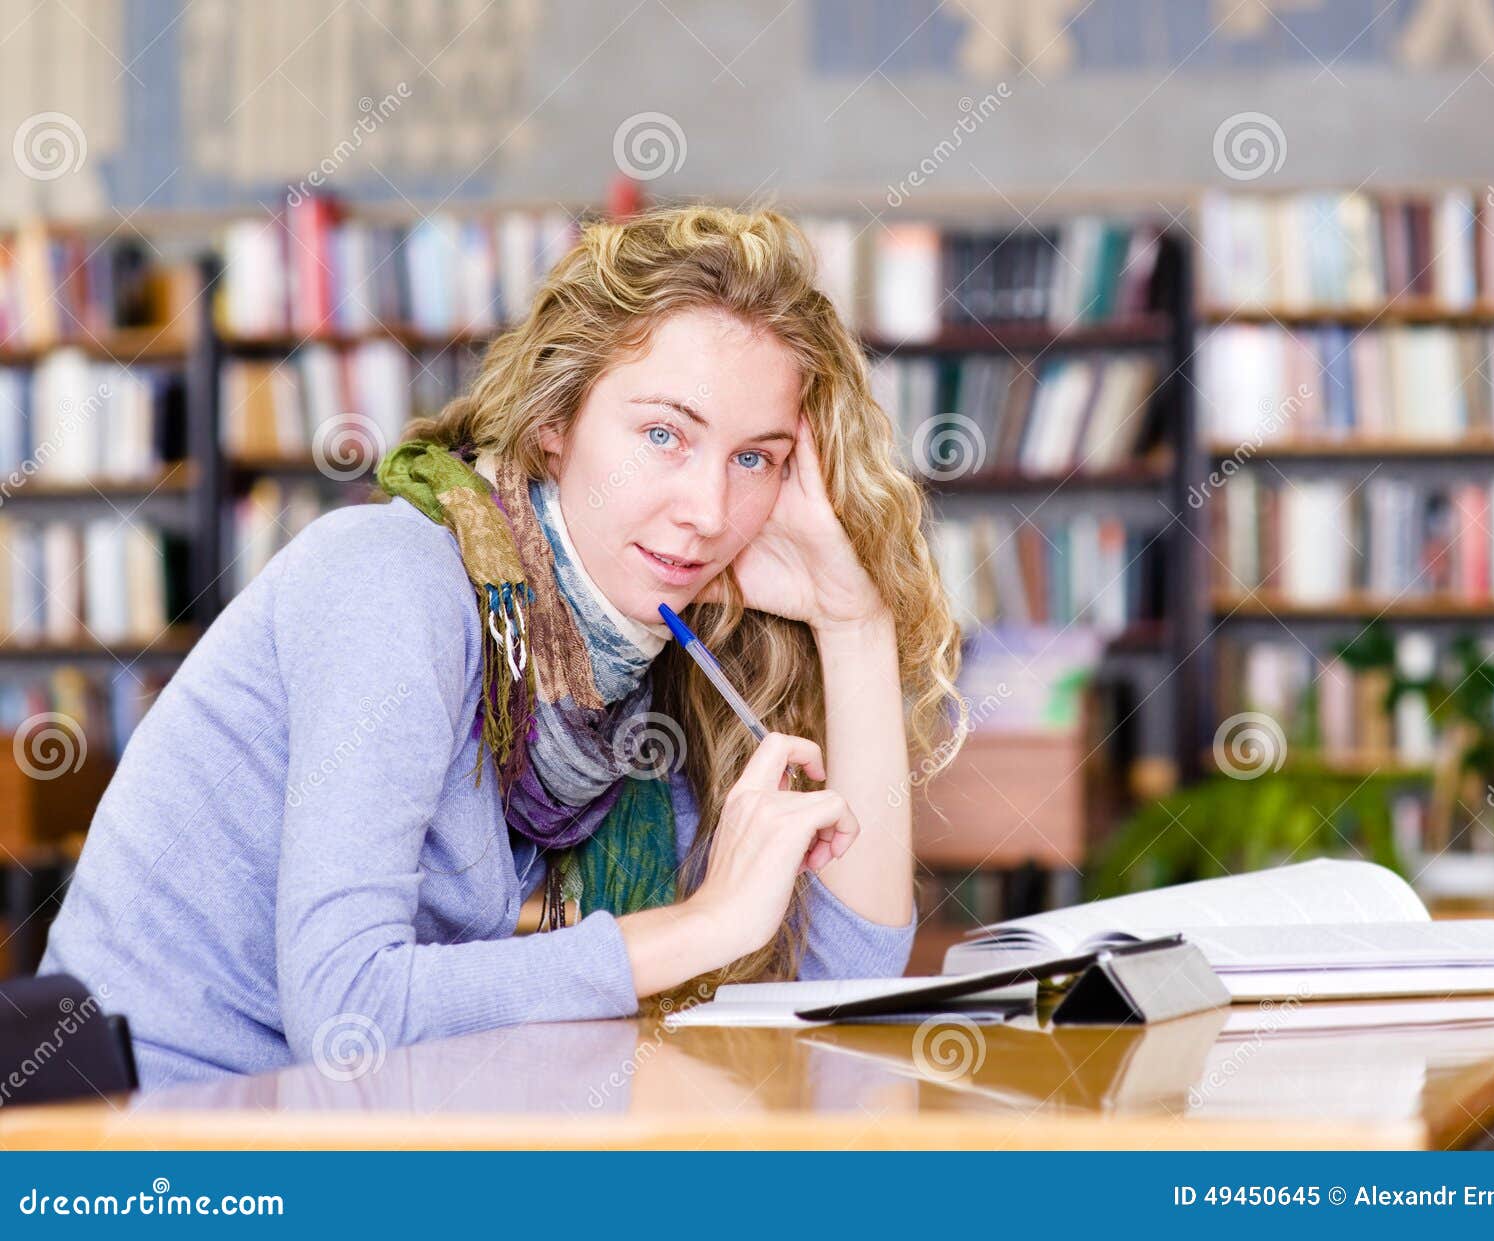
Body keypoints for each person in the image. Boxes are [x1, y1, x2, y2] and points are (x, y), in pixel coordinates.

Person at [38, 205, 965, 1088]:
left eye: (753, 458)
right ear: (553, 425)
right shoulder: (393, 579)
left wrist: (854, 626)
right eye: (662, 434)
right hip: (157, 1141)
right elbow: (346, 1011)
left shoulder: (629, 664)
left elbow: (848, 973)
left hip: (354, 1125)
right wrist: (701, 925)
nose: (710, 511)